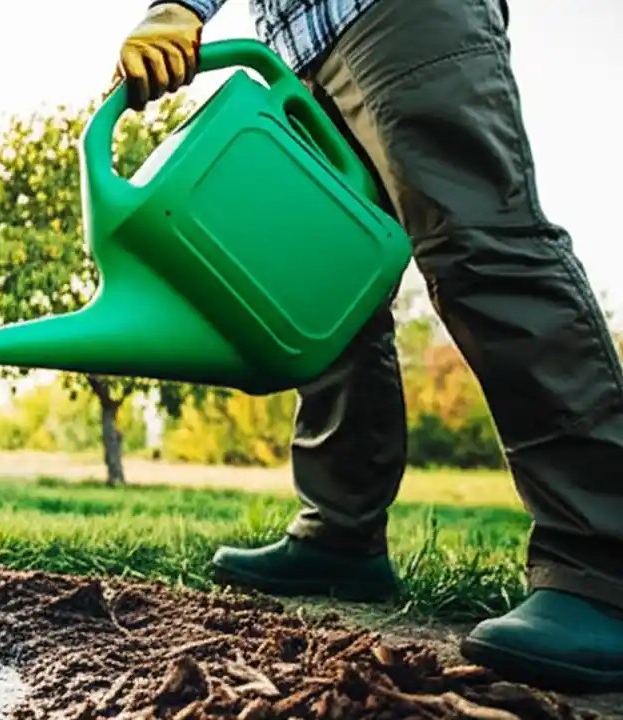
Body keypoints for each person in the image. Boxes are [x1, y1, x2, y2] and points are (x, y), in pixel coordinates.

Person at [117, 0, 623, 693]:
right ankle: (340, 534)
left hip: (396, 14)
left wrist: (180, 7)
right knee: (325, 281)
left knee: (482, 249)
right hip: (306, 47)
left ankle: (602, 569)